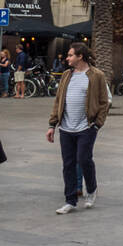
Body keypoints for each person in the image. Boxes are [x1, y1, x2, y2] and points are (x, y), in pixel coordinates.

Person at [46, 42, 110, 214]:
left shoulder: (96, 75)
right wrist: (52, 124)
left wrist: (97, 124)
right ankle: (70, 200)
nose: (67, 58)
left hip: (86, 128)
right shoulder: (67, 75)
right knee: (68, 164)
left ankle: (91, 189)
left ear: (80, 56)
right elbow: (58, 101)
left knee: (83, 159)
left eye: (70, 55)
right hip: (66, 128)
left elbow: (104, 102)